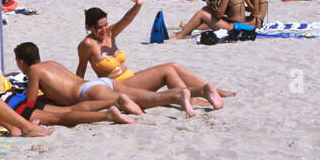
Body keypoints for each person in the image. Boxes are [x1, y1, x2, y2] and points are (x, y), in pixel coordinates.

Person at [78, 0, 231, 109]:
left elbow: (127, 19)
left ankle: (211, 91)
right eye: (99, 27)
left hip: (132, 79)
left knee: (173, 65)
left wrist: (138, 4)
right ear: (89, 27)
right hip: (118, 86)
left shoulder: (109, 34)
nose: (104, 30)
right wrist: (75, 93)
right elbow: (81, 69)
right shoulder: (87, 44)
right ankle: (192, 97)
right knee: (167, 70)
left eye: (105, 25)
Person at [12, 42, 191, 120]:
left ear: (21, 62)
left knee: (141, 100)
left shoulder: (34, 70)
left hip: (87, 93)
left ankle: (175, 96)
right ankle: (188, 92)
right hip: (98, 84)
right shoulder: (51, 63)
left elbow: (30, 102)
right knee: (147, 95)